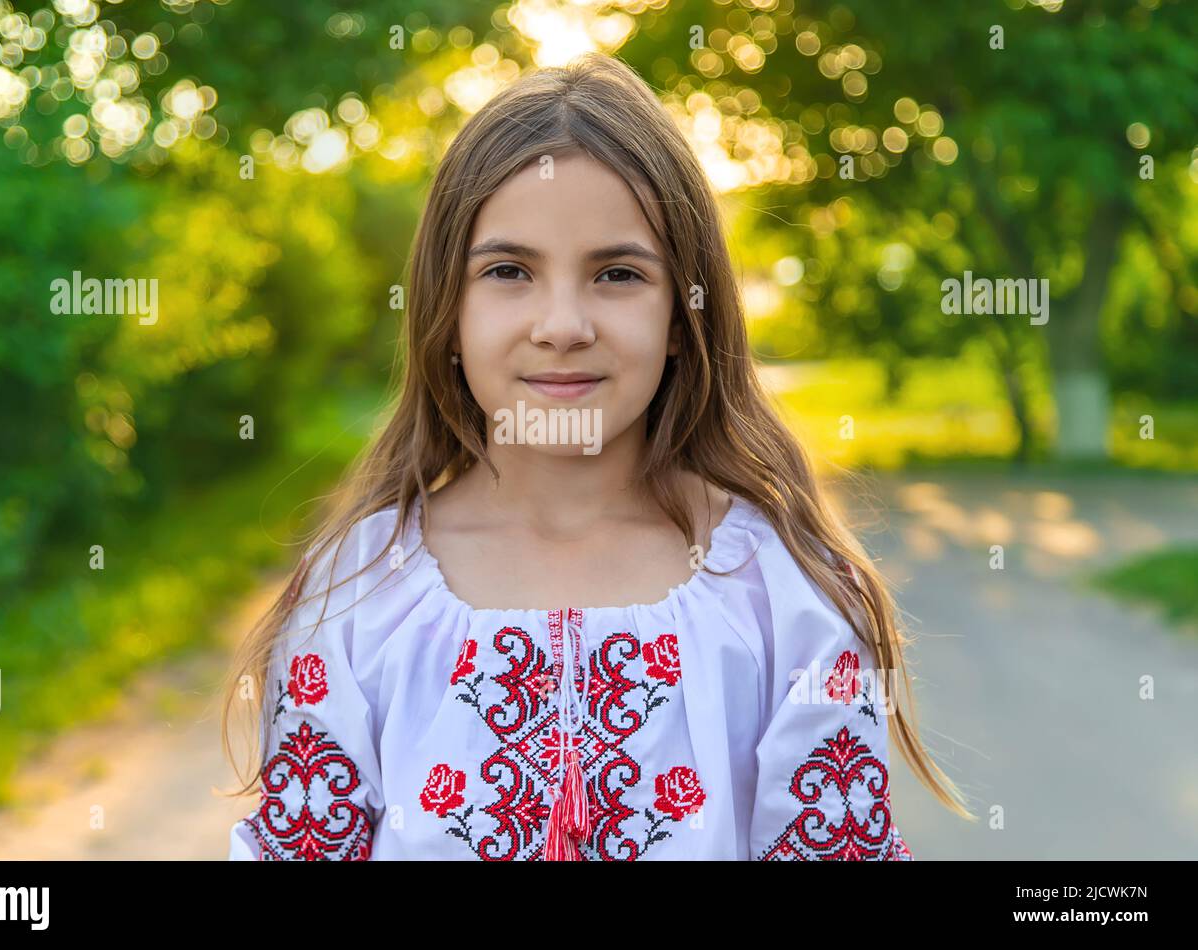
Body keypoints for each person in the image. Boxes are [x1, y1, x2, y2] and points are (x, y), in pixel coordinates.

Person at [220, 52, 973, 861]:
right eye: (509, 271)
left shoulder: (783, 596)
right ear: (449, 308)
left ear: (685, 315)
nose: (563, 324)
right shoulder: (357, 597)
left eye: (617, 274)